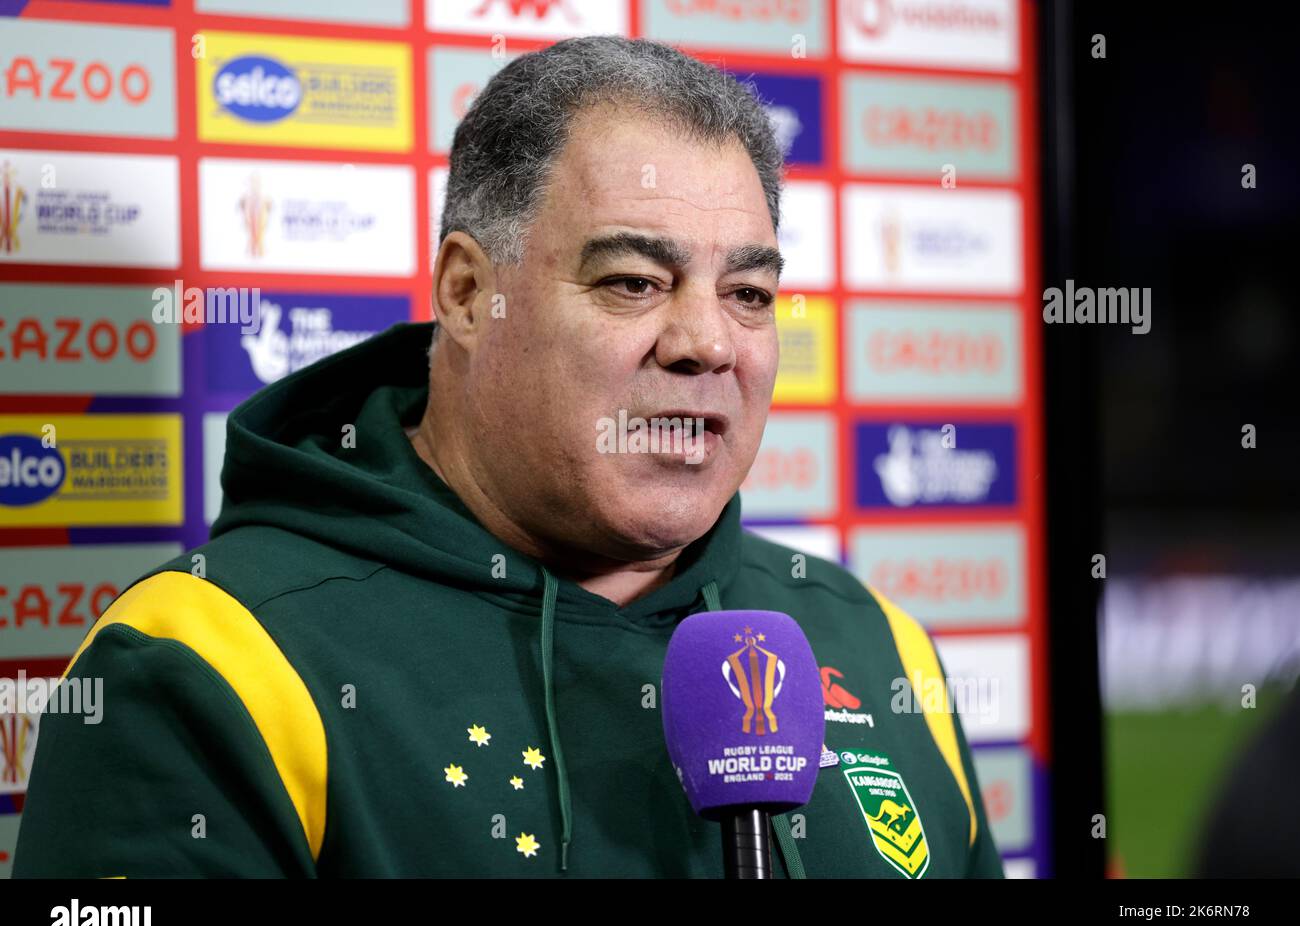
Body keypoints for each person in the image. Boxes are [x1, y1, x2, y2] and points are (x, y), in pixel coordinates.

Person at [14, 35, 1001, 878]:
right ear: (464, 292)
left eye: (748, 293)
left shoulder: (877, 647)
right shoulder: (206, 661)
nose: (707, 341)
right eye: (632, 281)